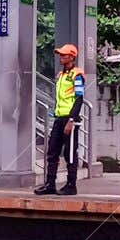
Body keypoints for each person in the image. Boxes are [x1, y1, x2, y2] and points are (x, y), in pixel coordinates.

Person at [35, 43, 85, 197]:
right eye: (60, 55)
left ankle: (71, 185)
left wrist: (71, 119)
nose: (61, 58)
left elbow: (79, 99)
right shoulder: (61, 75)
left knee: (70, 152)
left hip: (70, 119)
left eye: (64, 55)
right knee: (52, 152)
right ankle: (50, 184)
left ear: (72, 57)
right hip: (58, 117)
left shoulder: (77, 75)